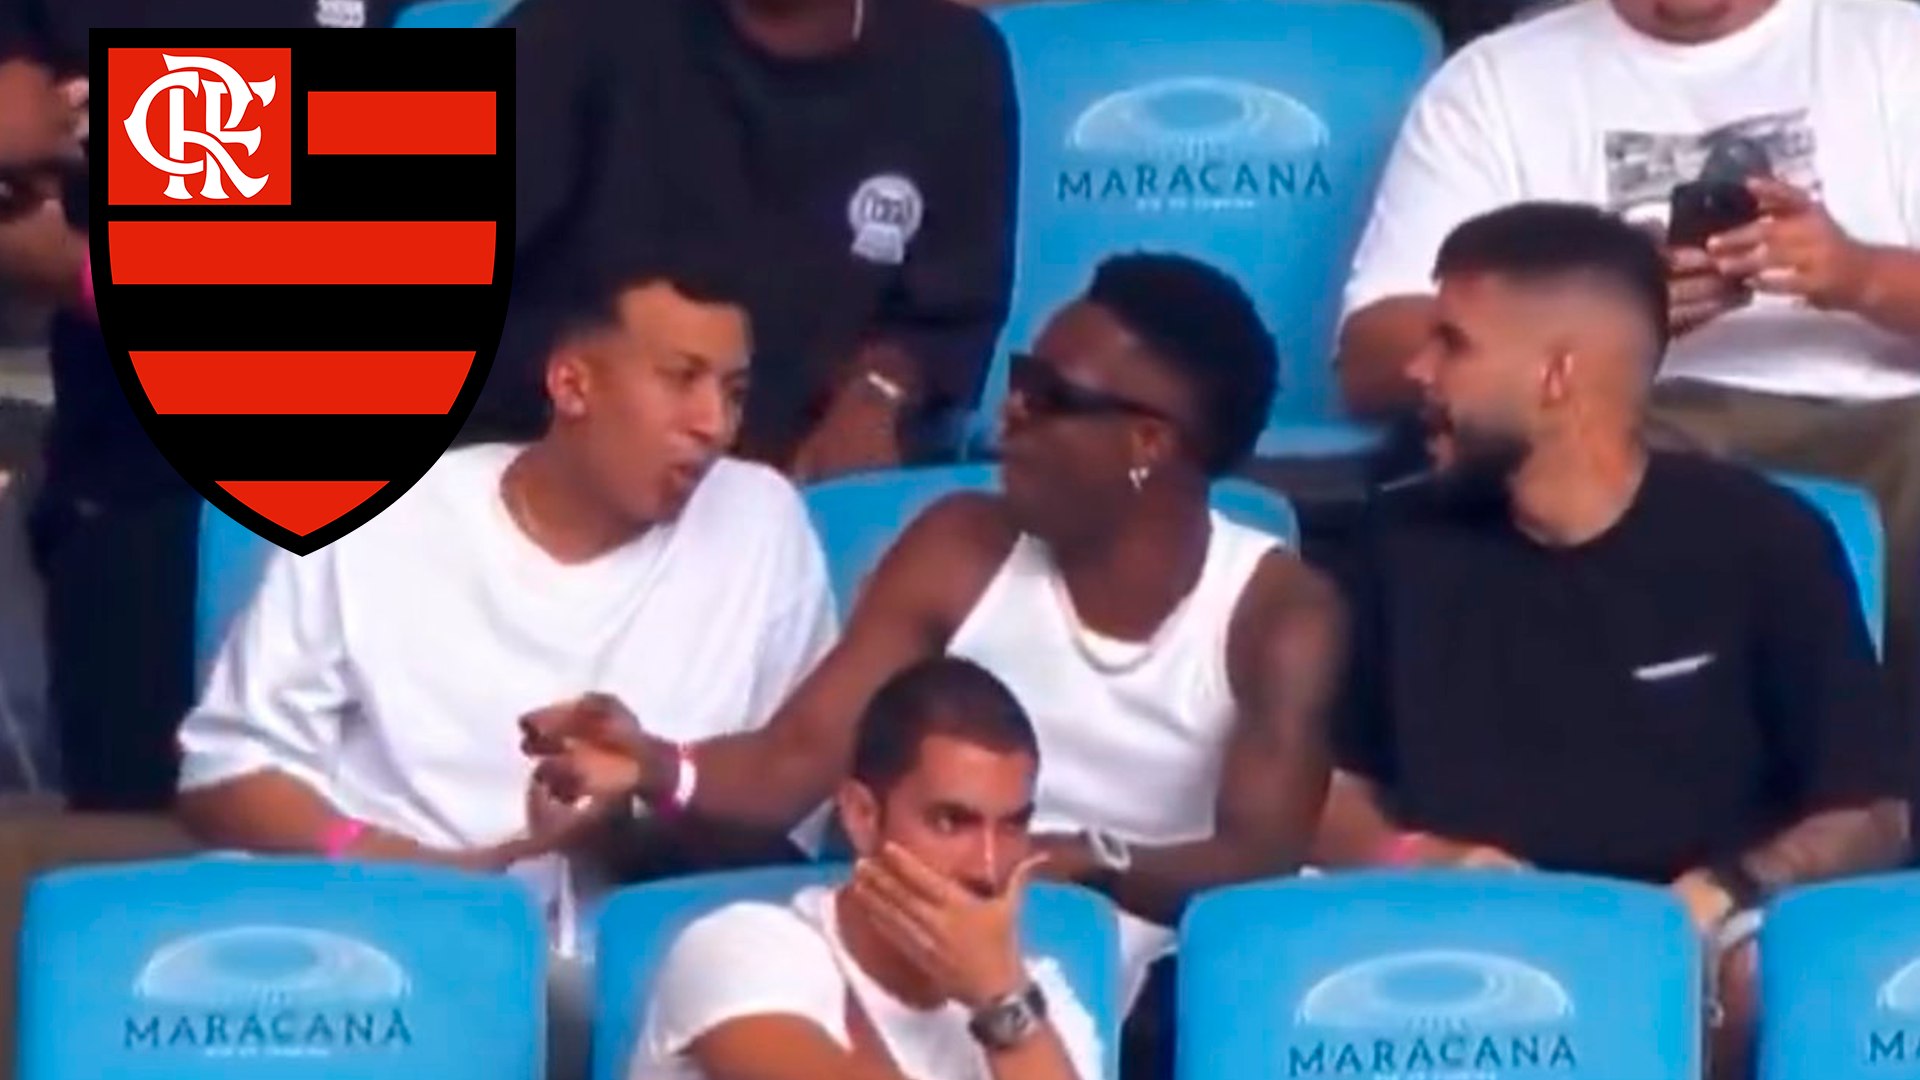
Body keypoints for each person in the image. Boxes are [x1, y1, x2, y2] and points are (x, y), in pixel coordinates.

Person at [523, 253, 1344, 1080]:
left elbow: (1256, 863)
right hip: (924, 939)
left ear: (1147, 444)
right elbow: (795, 760)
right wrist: (654, 763)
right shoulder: (960, 544)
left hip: (1125, 969)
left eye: (1049, 395)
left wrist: (1080, 864)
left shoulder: (1280, 615)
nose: (1008, 410)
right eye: (1020, 376)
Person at [173, 259, 837, 1080]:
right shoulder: (383, 514)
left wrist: (629, 823)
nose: (714, 424)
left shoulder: (761, 521)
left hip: (647, 989)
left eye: (735, 393)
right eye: (682, 380)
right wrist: (389, 859)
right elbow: (225, 772)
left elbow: (783, 838)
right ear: (572, 384)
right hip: (396, 957)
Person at [1315, 202, 1913, 1080]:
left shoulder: (1764, 539)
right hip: (1458, 930)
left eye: (1453, 342)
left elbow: (1869, 814)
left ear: (1557, 375)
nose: (1417, 368)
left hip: (1706, 931)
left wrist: (1727, 890)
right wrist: (1423, 859)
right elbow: (1324, 796)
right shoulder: (1393, 544)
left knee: (1764, 977)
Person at [1335, 0, 1920, 723]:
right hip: (1629, 424)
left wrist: (1861, 276)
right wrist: (1596, 311)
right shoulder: (1497, 81)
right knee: (1558, 459)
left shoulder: (1896, 45)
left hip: (1889, 424)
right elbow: (1370, 356)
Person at [0, 0, 405, 813]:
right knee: (136, 849)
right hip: (135, 490)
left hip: (390, 497)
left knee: (370, 862)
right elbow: (14, 155)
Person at [483, 0, 1018, 481]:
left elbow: (948, 313)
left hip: (797, 495)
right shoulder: (576, 31)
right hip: (546, 474)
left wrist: (876, 395)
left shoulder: (954, 64)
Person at [630, 657, 1101, 1080]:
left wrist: (1000, 995)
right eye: (950, 822)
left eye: (1012, 826)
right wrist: (1003, 1008)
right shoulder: (740, 949)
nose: (988, 868)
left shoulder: (1042, 1005)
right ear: (862, 816)